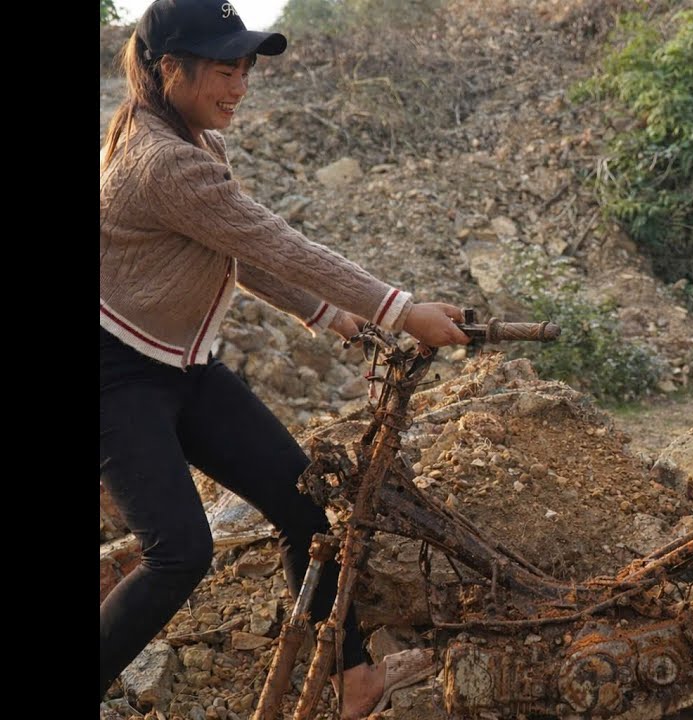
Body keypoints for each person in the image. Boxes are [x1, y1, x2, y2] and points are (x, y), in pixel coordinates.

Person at [99, 1, 471, 715]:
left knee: (306, 507)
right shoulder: (163, 160)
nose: (238, 86)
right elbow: (275, 243)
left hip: (182, 367)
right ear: (168, 68)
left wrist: (332, 317)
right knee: (179, 551)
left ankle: (354, 675)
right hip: (117, 373)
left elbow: (234, 251)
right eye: (222, 69)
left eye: (244, 70)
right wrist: (400, 308)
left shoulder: (194, 142)